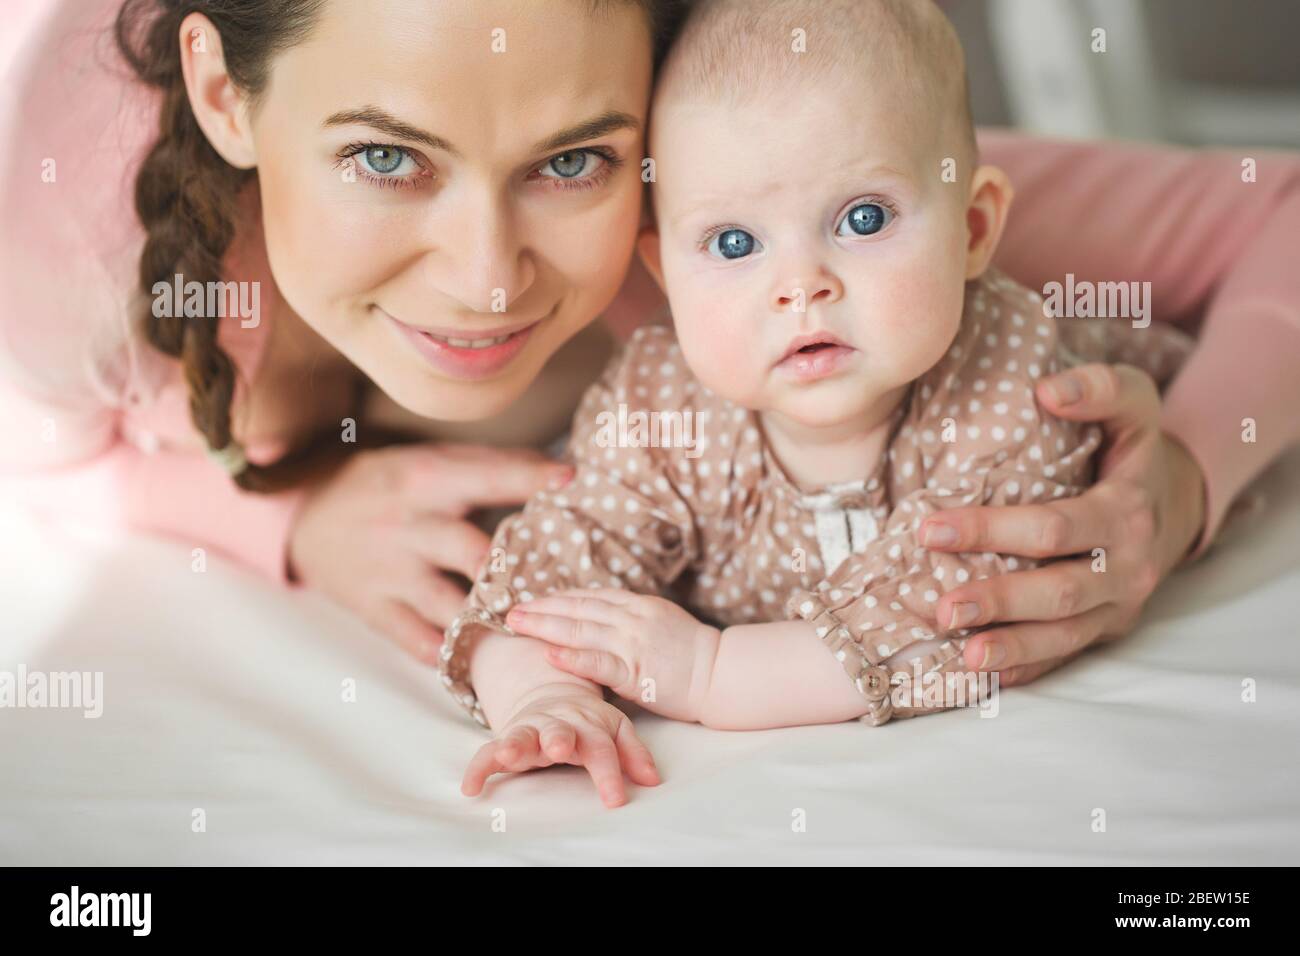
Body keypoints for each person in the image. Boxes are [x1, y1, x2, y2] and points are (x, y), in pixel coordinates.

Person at [2, 1, 1297, 803]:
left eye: (574, 161)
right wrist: (291, 518)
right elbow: (37, 455)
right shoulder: (75, 236)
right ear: (227, 98)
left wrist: (1182, 478)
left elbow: (1279, 211)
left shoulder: (762, 173)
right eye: (385, 156)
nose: (484, 277)